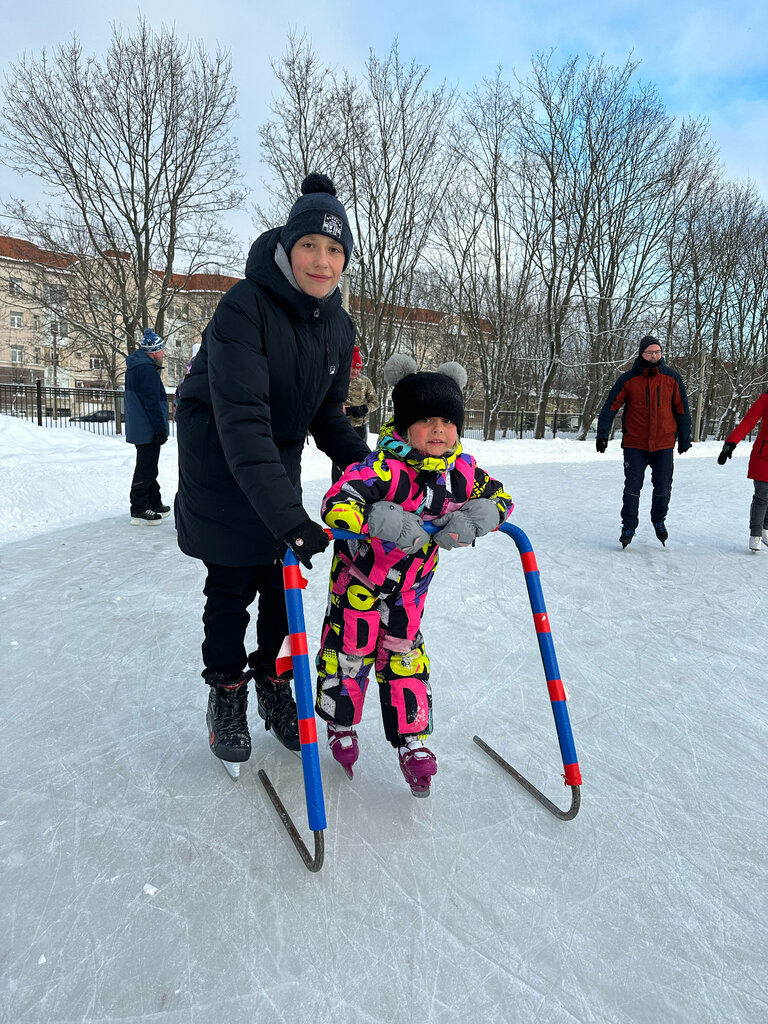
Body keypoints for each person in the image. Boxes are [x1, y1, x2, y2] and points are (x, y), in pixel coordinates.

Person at [174, 173, 370, 767]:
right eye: (310, 244)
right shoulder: (243, 308)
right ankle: (227, 692)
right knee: (233, 583)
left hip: (271, 461)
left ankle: (272, 681)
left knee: (281, 589)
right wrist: (292, 518)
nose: (322, 259)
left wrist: (379, 474)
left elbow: (328, 418)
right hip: (220, 458)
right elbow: (242, 424)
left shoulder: (338, 326)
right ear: (287, 247)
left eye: (335, 250)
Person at [315, 353, 514, 797]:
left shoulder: (463, 474)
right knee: (351, 651)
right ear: (405, 427)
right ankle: (339, 723)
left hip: (411, 590)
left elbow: (501, 499)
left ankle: (412, 739)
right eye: (426, 420)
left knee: (404, 655)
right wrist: (376, 518)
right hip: (359, 584)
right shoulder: (381, 468)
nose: (439, 430)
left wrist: (480, 516)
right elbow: (336, 503)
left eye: (447, 420)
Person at [596, 335, 691, 548]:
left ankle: (659, 520)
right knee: (632, 486)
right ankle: (628, 525)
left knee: (663, 486)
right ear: (641, 354)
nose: (654, 355)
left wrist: (685, 437)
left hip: (664, 443)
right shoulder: (628, 379)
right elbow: (611, 405)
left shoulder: (672, 378)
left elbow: (682, 409)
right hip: (635, 444)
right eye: (649, 352)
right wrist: (603, 433)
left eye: (657, 352)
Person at [124, 327, 170, 525]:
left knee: (149, 466)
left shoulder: (137, 367)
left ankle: (153, 501)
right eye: (161, 350)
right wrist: (160, 427)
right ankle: (139, 507)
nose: (163, 353)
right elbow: (152, 402)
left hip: (141, 425)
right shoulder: (146, 370)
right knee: (146, 467)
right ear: (153, 351)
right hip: (147, 427)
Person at [717, 390, 768, 553]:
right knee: (762, 495)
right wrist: (731, 443)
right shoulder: (765, 399)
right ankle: (755, 534)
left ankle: (765, 529)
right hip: (763, 456)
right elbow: (748, 421)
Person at [331, 345, 378, 482]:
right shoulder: (338, 379)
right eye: (353, 368)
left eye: (358, 368)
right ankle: (337, 484)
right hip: (339, 425)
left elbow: (375, 403)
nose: (355, 371)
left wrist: (363, 409)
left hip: (359, 426)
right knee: (337, 457)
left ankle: (356, 483)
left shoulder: (365, 382)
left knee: (358, 456)